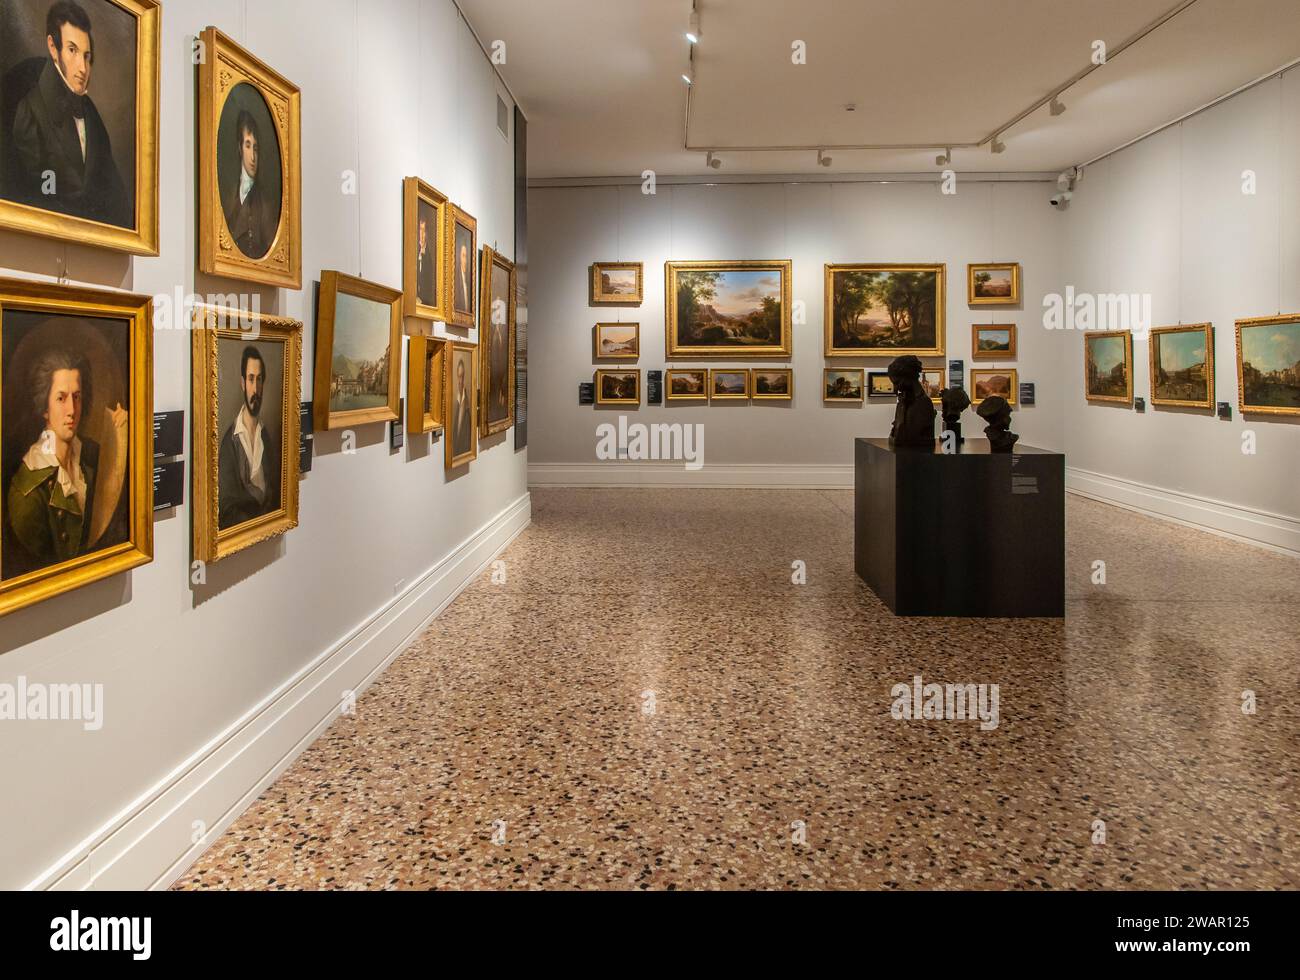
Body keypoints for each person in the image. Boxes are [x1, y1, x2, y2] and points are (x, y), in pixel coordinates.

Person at [10, 0, 130, 227]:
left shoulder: (93, 119)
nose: (83, 68)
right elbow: (37, 198)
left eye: (86, 56)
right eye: (72, 50)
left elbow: (113, 197)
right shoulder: (30, 111)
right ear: (53, 48)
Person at [7, 349, 126, 569]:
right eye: (61, 398)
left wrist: (122, 435)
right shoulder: (28, 492)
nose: (72, 409)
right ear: (44, 407)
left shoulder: (92, 455)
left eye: (77, 397)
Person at [218, 346, 280, 528]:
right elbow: (226, 507)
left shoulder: (266, 437)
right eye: (251, 379)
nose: (255, 388)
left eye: (259, 379)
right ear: (243, 383)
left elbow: (274, 494)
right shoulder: (229, 442)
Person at [222, 109, 278, 258]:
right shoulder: (229, 193)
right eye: (248, 145)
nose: (253, 156)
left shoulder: (264, 203)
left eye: (256, 148)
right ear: (240, 148)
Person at [451, 355, 472, 455]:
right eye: (459, 376)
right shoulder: (455, 402)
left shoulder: (467, 403)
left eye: (462, 376)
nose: (460, 380)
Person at [416, 213, 436, 306]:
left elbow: (429, 287)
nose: (421, 234)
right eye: (420, 229)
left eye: (423, 230)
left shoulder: (430, 256)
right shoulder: (414, 250)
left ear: (427, 233)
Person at [455, 239, 471, 313]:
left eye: (466, 256)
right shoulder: (455, 280)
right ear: (459, 257)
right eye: (463, 256)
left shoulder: (468, 279)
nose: (465, 261)